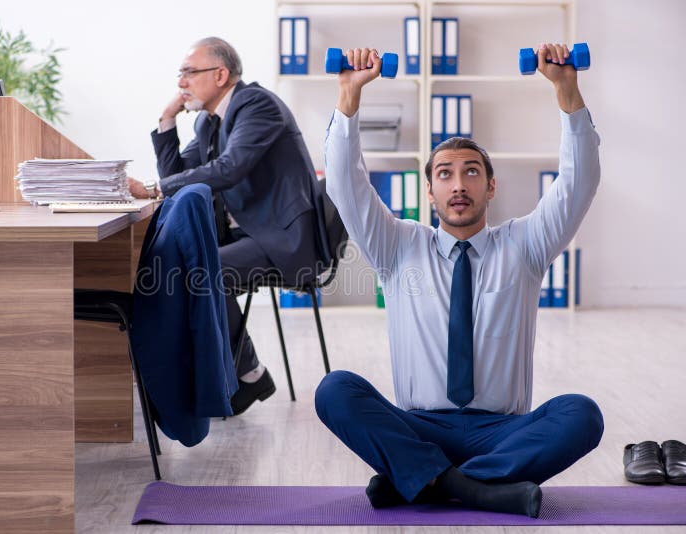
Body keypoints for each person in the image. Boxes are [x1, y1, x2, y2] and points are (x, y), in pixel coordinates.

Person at [315, 44, 603, 518]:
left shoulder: (526, 245)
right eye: (444, 175)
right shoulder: (397, 245)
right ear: (429, 192)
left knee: (581, 414)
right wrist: (349, 95)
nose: (458, 185)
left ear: (491, 187)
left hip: (503, 431)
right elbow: (345, 186)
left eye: (471, 173)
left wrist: (567, 90)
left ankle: (421, 479)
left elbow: (578, 183)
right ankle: (479, 489)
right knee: (335, 389)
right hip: (419, 425)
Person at [129, 37, 329, 415]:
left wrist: (155, 189)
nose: (181, 82)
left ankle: (243, 376)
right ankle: (238, 374)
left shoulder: (257, 105)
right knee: (173, 262)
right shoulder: (210, 120)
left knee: (204, 272)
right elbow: (178, 177)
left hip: (281, 238)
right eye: (180, 74)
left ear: (220, 75)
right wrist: (167, 120)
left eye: (189, 72)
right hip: (247, 234)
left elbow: (229, 168)